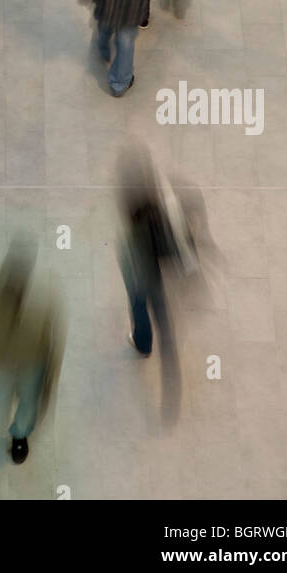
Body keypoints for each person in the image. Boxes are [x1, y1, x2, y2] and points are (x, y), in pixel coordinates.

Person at [0, 235, 65, 473]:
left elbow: (53, 337)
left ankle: (20, 435)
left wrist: (52, 374)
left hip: (33, 362)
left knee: (29, 404)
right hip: (1, 361)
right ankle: (4, 430)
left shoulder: (45, 295)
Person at [116, 142, 183, 424]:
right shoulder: (158, 206)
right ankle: (172, 394)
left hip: (137, 270)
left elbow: (132, 238)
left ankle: (143, 344)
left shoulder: (130, 204)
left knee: (138, 307)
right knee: (165, 326)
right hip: (154, 274)